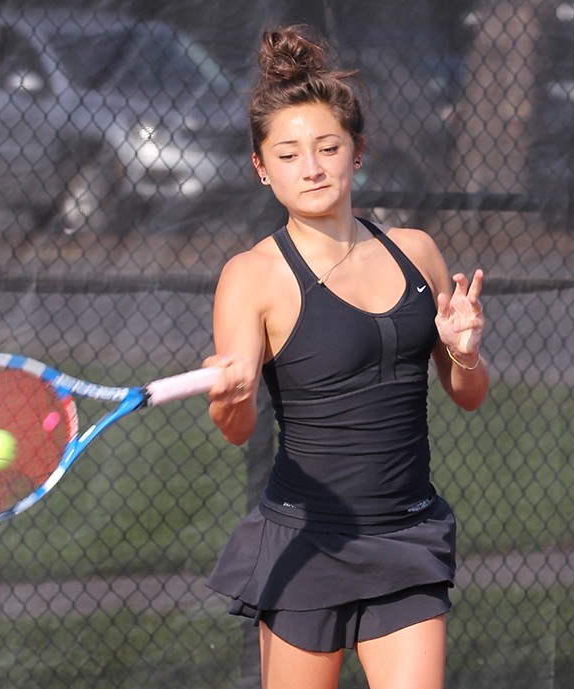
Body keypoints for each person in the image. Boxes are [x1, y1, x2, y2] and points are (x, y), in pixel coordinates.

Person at [203, 24, 489, 689]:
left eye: (328, 147)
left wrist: (464, 354)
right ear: (260, 166)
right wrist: (232, 396)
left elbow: (468, 394)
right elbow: (237, 428)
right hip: (308, 545)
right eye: (289, 153)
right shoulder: (251, 275)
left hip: (407, 537)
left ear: (357, 153)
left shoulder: (416, 252)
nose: (311, 167)